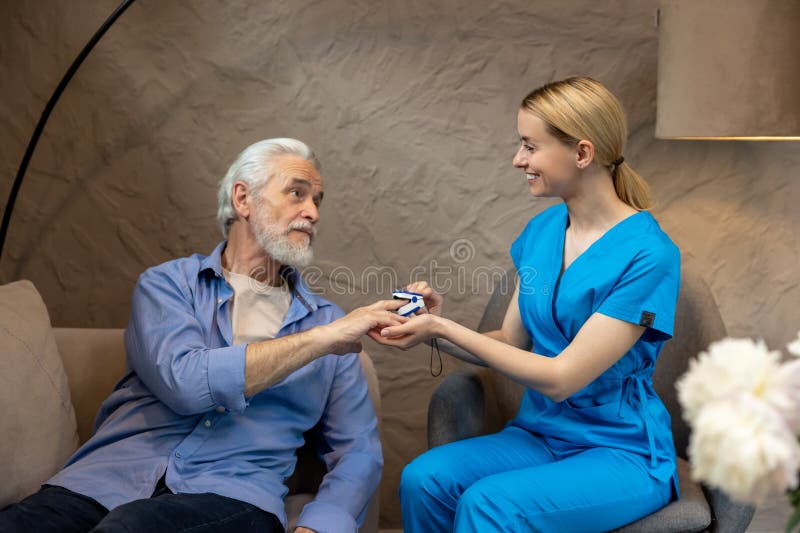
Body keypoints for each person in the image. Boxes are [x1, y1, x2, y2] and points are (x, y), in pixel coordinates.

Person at [0, 138, 405, 533]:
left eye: (317, 200)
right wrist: (319, 340)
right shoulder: (167, 285)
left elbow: (358, 451)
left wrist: (321, 526)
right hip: (105, 479)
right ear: (243, 199)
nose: (312, 212)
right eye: (297, 193)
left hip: (232, 496)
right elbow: (187, 383)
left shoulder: (327, 320)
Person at [373, 77, 681, 532]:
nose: (519, 160)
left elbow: (561, 379)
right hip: (542, 433)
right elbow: (507, 341)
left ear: (581, 153)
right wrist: (429, 323)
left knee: (490, 505)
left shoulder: (649, 255)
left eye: (529, 146)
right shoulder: (542, 231)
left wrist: (443, 332)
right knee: (424, 479)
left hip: (621, 451)